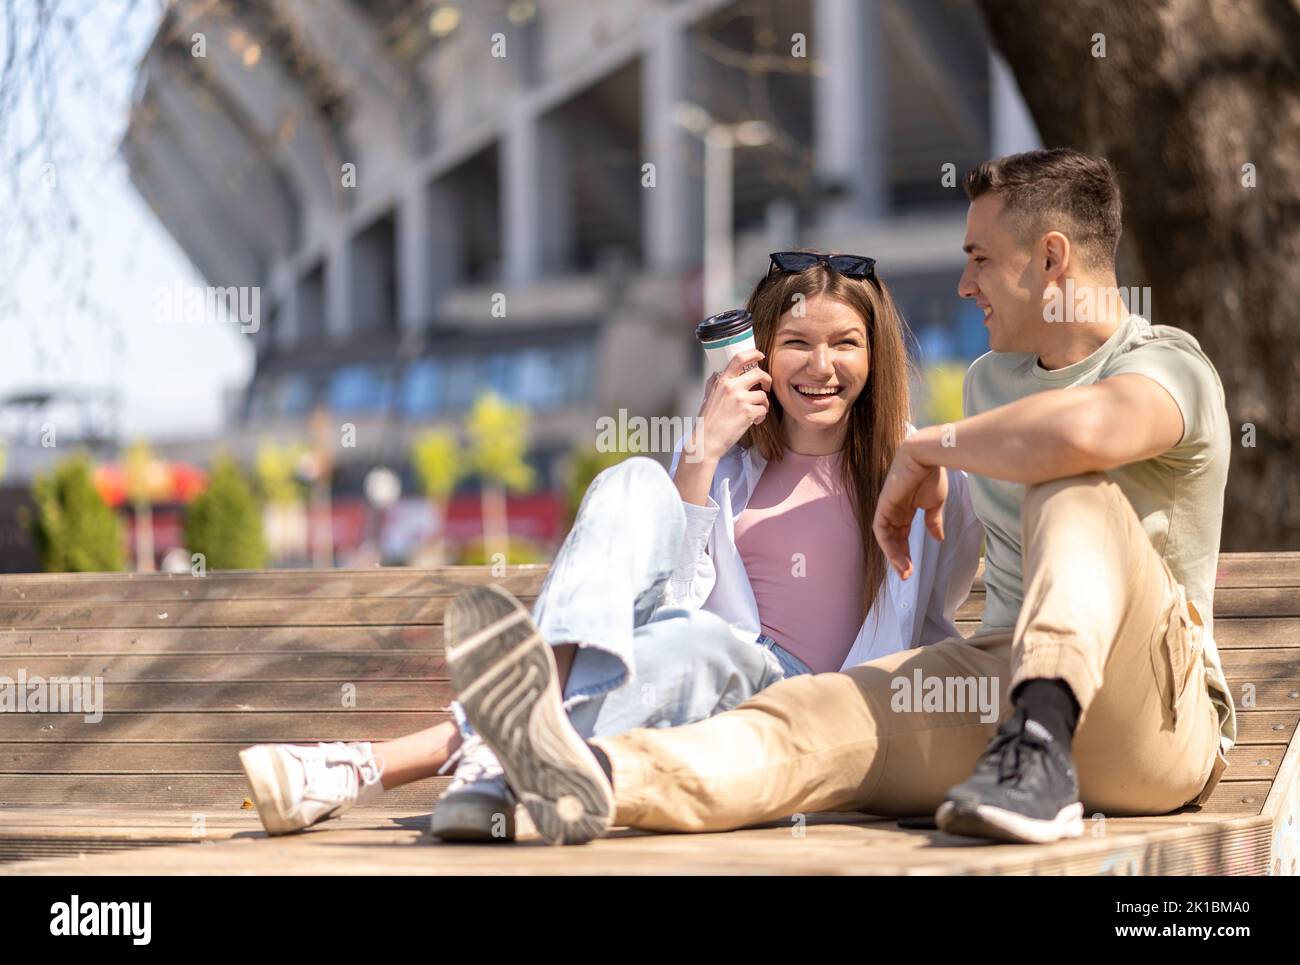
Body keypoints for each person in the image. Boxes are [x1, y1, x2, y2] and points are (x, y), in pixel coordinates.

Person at [443, 147, 1237, 846]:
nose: (964, 283)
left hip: (1149, 716)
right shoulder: (995, 381)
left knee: (1074, 493)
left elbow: (1086, 433)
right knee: (808, 721)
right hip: (988, 694)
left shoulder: (1169, 364)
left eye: (980, 258)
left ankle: (1041, 736)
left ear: (1053, 258)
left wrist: (929, 444)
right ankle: (567, 775)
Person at [238, 252, 983, 841]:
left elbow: (965, 578)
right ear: (759, 353)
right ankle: (503, 751)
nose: (820, 366)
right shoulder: (725, 467)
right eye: (797, 343)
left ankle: (387, 762)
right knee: (633, 481)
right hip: (687, 669)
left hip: (808, 718)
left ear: (875, 355)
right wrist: (699, 451)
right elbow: (671, 596)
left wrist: (943, 464)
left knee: (702, 642)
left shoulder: (920, 471)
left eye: (844, 343)